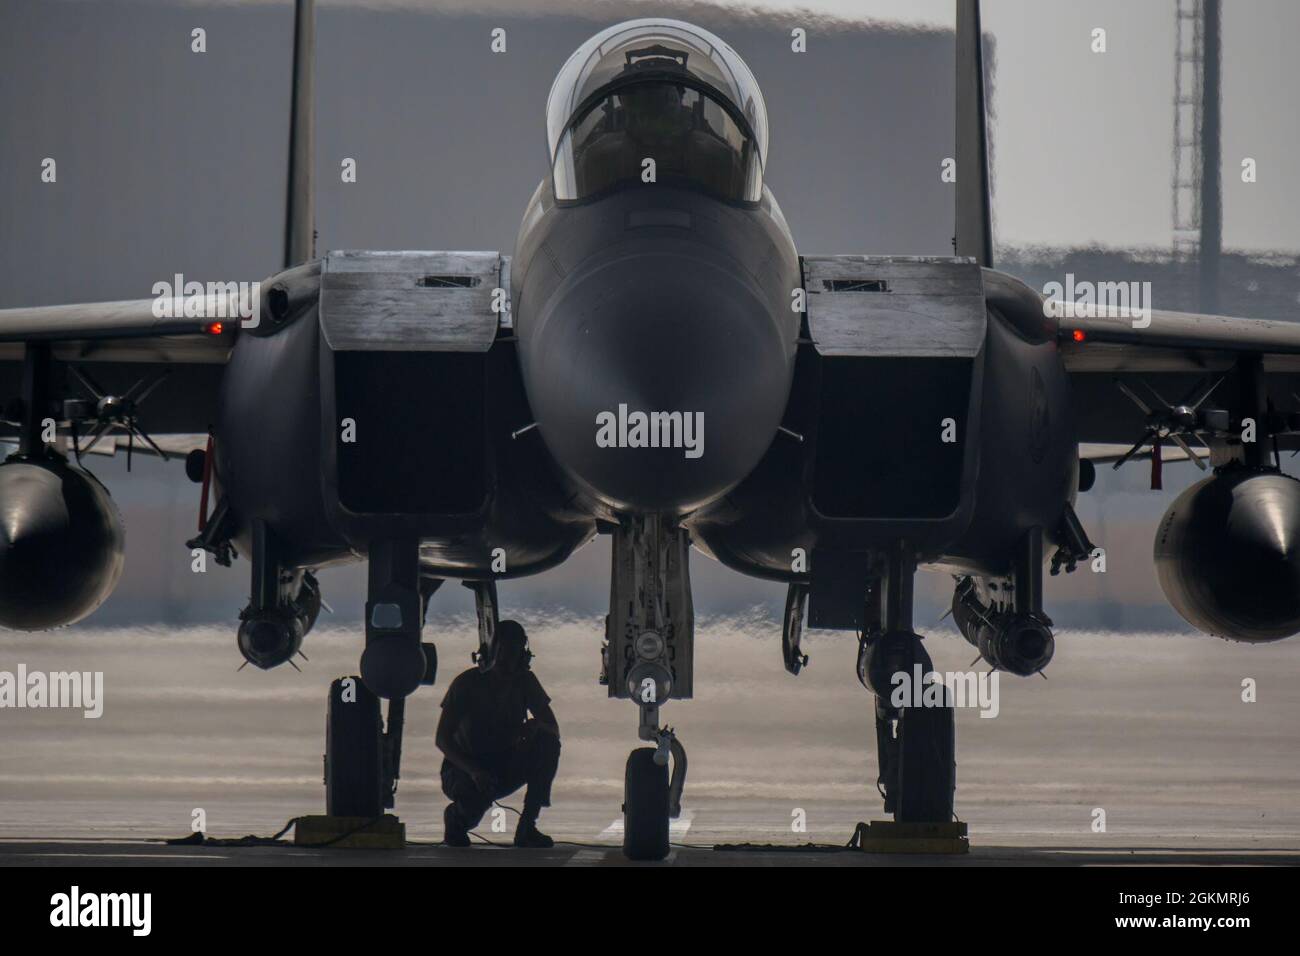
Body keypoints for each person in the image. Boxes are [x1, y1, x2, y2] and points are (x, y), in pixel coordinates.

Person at [436, 619, 560, 848]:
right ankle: (456, 819)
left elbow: (552, 730)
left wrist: (534, 727)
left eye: (514, 653)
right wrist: (474, 771)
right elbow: (442, 739)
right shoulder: (466, 684)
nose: (507, 661)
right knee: (472, 809)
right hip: (463, 769)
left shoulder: (525, 681)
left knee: (547, 743)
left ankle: (527, 827)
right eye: (503, 652)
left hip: (503, 765)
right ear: (492, 652)